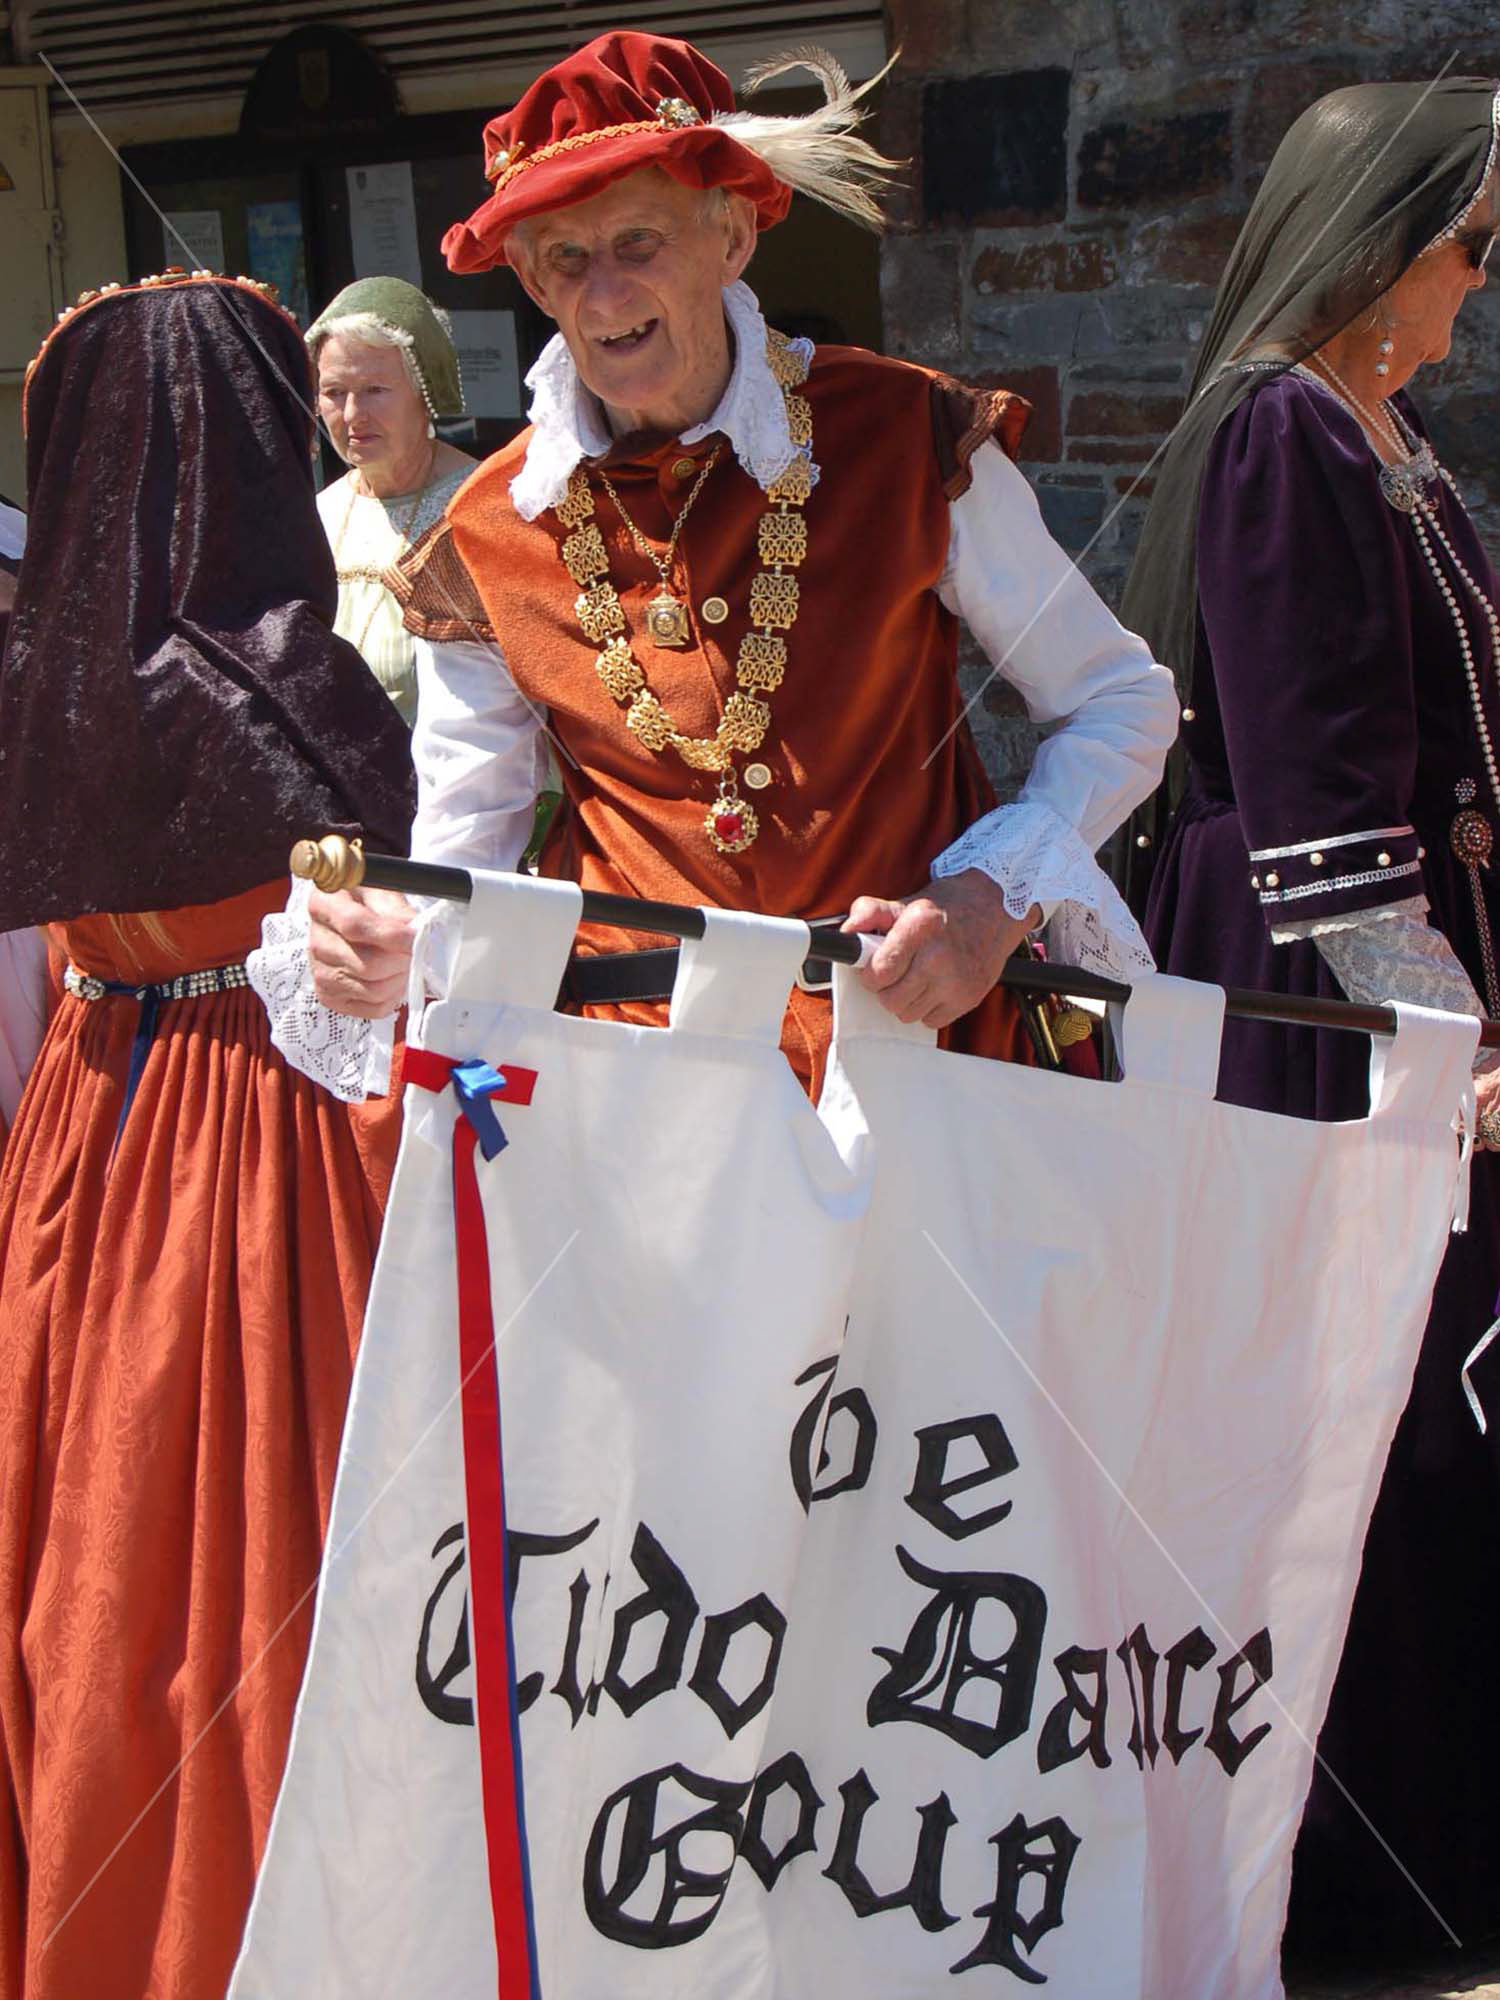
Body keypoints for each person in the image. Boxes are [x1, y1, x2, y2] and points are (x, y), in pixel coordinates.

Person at [264, 31, 1177, 1105]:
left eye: (638, 241)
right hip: (643, 1089)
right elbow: (468, 838)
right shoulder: (487, 529)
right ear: (527, 277)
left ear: (731, 235)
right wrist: (396, 937)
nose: (605, 294)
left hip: (921, 1060)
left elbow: (1119, 701)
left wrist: (990, 899)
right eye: (566, 257)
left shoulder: (899, 432)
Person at [0, 271, 415, 2000]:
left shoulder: (38, 682)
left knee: (92, 1585)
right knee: (270, 1579)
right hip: (271, 1144)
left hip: (84, 1137)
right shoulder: (309, 691)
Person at [1122, 79, 1500, 1957]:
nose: (1476, 286)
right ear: (1381, 238)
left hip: (1391, 980)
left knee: (1437, 1403)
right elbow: (1326, 815)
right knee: (1375, 1409)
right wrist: (1454, 1053)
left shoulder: (1381, 425)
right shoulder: (1284, 434)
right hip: (1322, 1007)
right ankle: (1365, 1877)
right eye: (1471, 245)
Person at [308, 278, 476, 724]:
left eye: (374, 391)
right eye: (334, 393)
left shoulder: (481, 506)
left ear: (426, 392)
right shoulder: (317, 516)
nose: (351, 416)